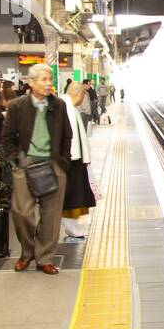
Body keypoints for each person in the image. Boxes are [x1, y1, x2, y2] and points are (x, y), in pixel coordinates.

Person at [2, 64, 72, 274]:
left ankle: (45, 258)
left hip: (53, 165)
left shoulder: (58, 105)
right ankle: (27, 252)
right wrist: (16, 161)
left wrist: (64, 162)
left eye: (50, 79)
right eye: (43, 79)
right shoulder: (17, 106)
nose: (49, 83)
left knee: (51, 215)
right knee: (22, 212)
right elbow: (7, 137)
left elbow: (67, 134)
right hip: (25, 165)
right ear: (31, 83)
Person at [61, 81, 96, 240]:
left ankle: (73, 226)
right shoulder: (65, 107)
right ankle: (70, 227)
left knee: (76, 195)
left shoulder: (69, 107)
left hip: (75, 158)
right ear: (80, 95)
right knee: (72, 196)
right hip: (71, 159)